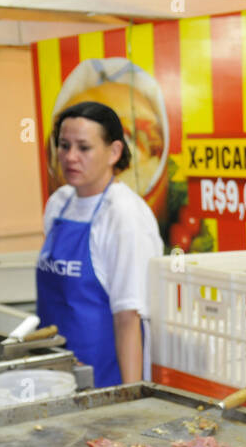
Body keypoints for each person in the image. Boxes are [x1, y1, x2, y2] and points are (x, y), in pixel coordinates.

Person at [38, 101, 163, 387]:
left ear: (114, 151)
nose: (70, 157)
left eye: (84, 147)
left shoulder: (123, 215)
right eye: (64, 145)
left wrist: (128, 400)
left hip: (105, 379)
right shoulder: (59, 204)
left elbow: (128, 318)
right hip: (54, 374)